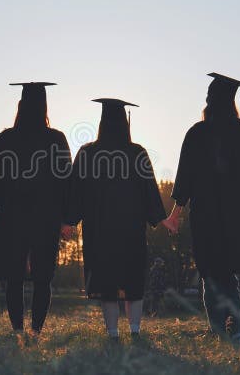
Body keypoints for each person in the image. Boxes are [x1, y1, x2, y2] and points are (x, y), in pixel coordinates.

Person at [162, 73, 240, 343]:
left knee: (213, 272)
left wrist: (175, 215)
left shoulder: (197, 133)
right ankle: (228, 328)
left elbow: (184, 180)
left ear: (209, 101)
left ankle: (227, 329)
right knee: (225, 272)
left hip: (207, 217)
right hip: (239, 217)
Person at [68, 98, 167, 339]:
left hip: (99, 231)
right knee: (133, 280)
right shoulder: (137, 153)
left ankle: (113, 333)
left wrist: (69, 220)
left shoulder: (87, 152)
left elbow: (73, 192)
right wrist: (160, 218)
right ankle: (135, 331)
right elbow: (150, 191)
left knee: (106, 283)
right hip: (131, 231)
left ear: (101, 123)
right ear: (125, 124)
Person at [0, 82, 72, 334]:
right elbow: (66, 180)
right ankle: (36, 330)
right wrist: (67, 218)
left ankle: (18, 330)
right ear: (44, 106)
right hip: (47, 216)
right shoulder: (56, 139)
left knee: (14, 277)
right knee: (43, 278)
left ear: (20, 106)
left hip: (13, 216)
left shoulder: (5, 139)